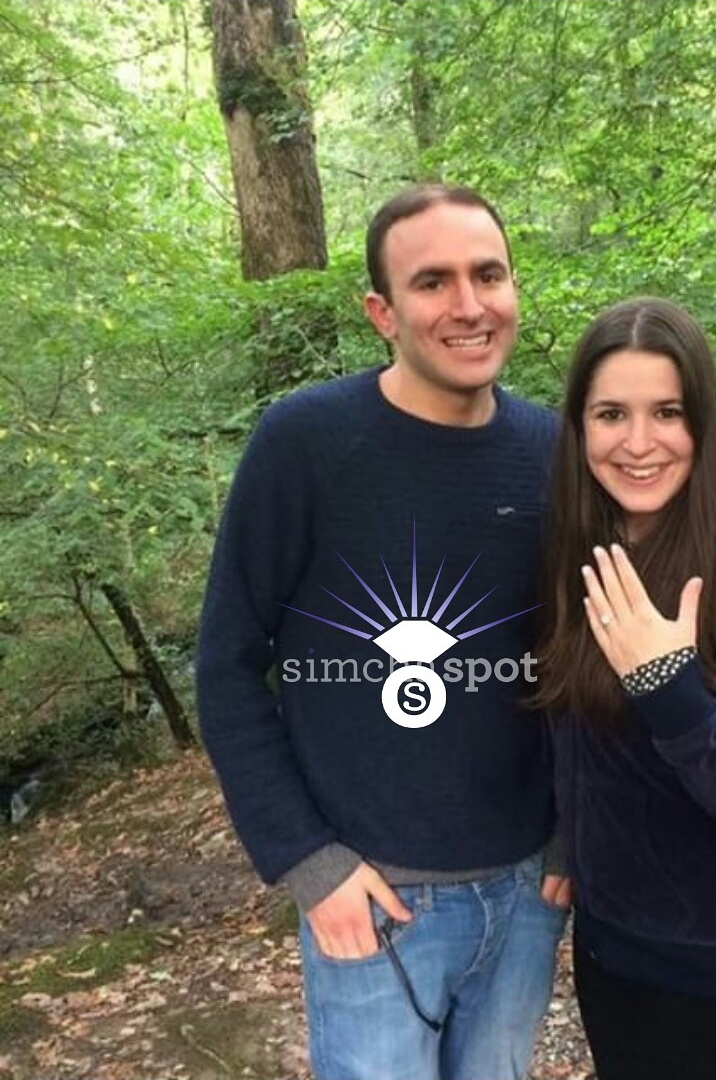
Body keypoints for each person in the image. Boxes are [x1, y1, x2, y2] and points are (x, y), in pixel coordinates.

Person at [196, 184, 568, 1080]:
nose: (469, 305)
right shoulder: (307, 443)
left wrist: (576, 831)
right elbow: (228, 665)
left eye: (489, 274)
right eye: (433, 282)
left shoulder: (553, 449)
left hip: (528, 893)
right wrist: (306, 862)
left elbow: (584, 657)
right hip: (372, 899)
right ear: (382, 312)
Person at [534, 297, 716, 1080]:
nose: (638, 443)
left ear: (703, 421)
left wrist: (673, 692)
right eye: (611, 414)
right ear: (579, 428)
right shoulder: (583, 544)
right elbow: (575, 724)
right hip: (614, 952)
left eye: (666, 411)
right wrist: (571, 837)